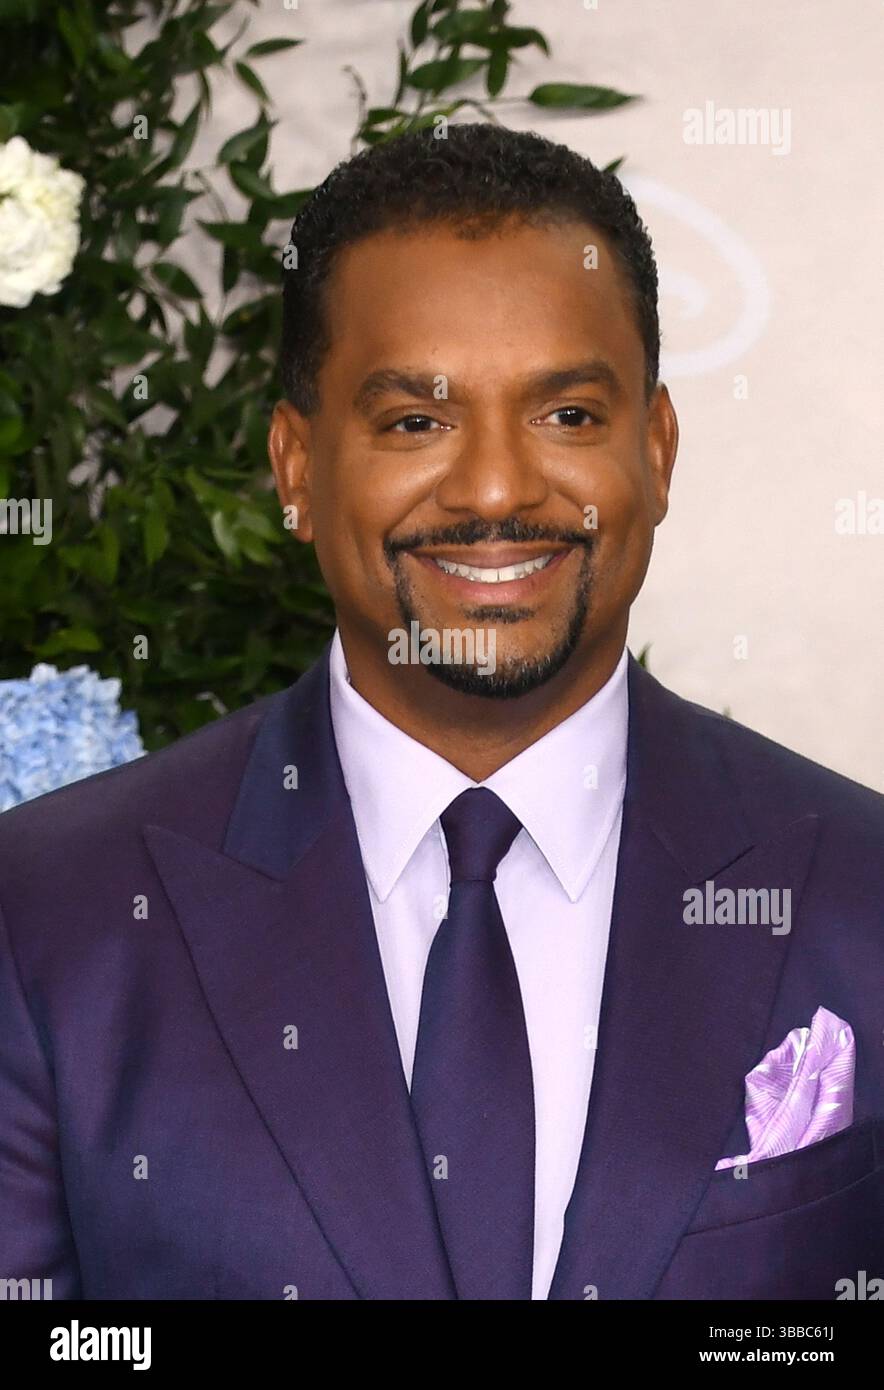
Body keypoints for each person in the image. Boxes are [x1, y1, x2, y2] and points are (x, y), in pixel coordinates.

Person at [1, 124, 882, 1301]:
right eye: (415, 420)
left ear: (655, 448)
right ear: (296, 465)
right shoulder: (47, 914)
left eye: (565, 414)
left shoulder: (859, 894)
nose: (495, 489)